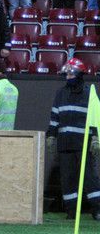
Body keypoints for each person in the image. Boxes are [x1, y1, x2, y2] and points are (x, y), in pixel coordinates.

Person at [47, 58, 100, 220]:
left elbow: (96, 118)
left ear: (80, 74)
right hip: (65, 144)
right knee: (67, 178)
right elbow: (54, 117)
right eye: (67, 74)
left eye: (71, 74)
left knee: (90, 178)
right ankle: (71, 210)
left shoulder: (90, 94)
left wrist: (96, 138)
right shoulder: (60, 93)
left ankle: (97, 209)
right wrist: (51, 135)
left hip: (84, 144)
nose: (68, 77)